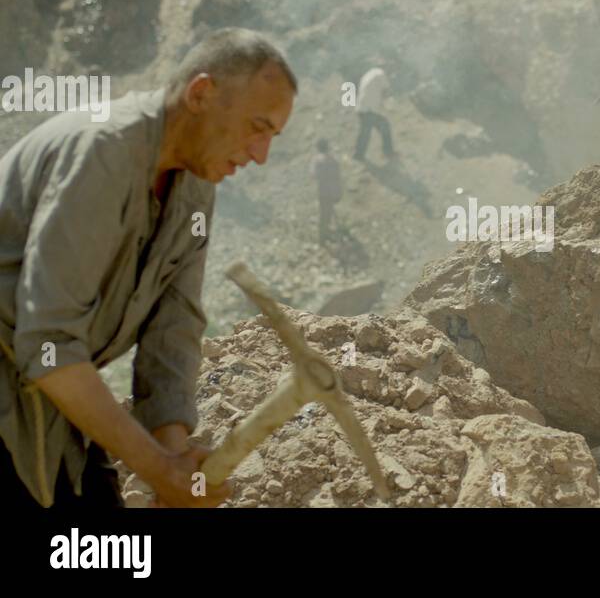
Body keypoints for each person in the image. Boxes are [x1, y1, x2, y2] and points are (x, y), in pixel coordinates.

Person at [0, 27, 297, 508]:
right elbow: (48, 342)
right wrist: (159, 469)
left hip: (52, 407)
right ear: (201, 94)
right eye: (256, 127)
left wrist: (176, 458)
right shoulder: (104, 151)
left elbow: (173, 323)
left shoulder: (197, 179)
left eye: (272, 137)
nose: (261, 155)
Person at [353, 65, 397, 163]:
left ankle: (359, 154)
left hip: (362, 108)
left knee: (367, 132)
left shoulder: (369, 74)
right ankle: (387, 152)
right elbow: (386, 90)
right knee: (369, 132)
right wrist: (390, 103)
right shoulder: (380, 74)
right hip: (369, 109)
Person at [314, 139, 343, 245]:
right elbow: (338, 177)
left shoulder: (317, 161)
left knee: (324, 215)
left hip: (323, 192)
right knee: (329, 212)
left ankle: (322, 238)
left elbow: (314, 175)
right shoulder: (334, 160)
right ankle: (327, 234)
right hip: (333, 191)